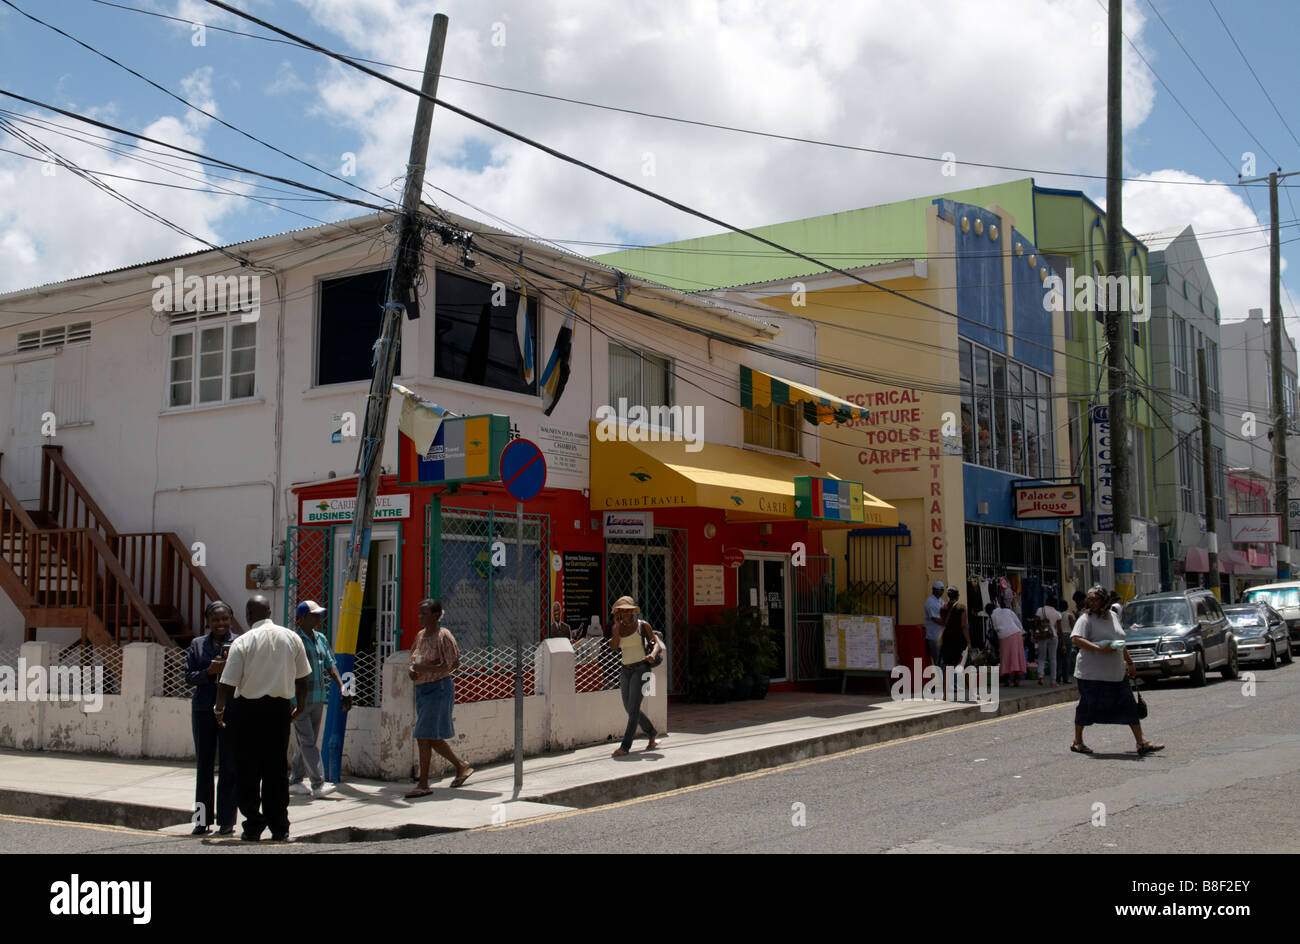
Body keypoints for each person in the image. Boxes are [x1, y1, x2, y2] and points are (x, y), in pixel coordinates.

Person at [214, 595, 311, 842]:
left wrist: (219, 709)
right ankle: (280, 826)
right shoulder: (291, 637)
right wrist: (299, 706)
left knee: (247, 769)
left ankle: (253, 823)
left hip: (247, 711)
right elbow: (303, 678)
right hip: (279, 710)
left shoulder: (243, 642)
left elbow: (227, 682)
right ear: (270, 612)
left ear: (248, 615)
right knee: (276, 770)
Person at [1070, 586, 1164, 755]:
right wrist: (1099, 649)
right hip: (1092, 674)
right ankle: (1078, 741)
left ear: (1105, 601)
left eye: (1095, 599)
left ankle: (1141, 741)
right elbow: (1076, 639)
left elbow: (1120, 641)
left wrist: (1130, 662)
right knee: (1087, 706)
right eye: (1089, 599)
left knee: (1128, 705)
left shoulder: (1113, 616)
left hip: (1115, 673)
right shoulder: (1086, 619)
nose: (1090, 602)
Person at [405, 599, 473, 797]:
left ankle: (424, 783)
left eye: (425, 613)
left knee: (423, 735)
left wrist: (424, 668)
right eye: (419, 613)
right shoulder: (420, 636)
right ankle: (461, 765)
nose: (421, 617)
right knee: (430, 736)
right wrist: (412, 670)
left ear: (436, 615)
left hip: (439, 689)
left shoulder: (443, 636)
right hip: (422, 689)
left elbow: (451, 665)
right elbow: (412, 659)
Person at [185, 600, 239, 835]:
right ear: (207, 621)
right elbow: (188, 676)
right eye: (215, 619)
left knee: (229, 765)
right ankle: (201, 820)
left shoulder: (239, 642)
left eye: (224, 619)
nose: (220, 623)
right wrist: (208, 672)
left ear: (230, 618)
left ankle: (227, 821)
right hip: (203, 710)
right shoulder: (197, 645)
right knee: (204, 766)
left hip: (230, 710)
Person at [288, 600, 348, 800]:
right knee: (308, 741)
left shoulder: (320, 638)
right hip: (299, 699)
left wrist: (341, 686)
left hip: (317, 697)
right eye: (314, 615)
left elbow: (330, 664)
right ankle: (318, 783)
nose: (318, 618)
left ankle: (295, 780)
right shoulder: (294, 640)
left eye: (319, 614)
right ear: (302, 617)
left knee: (306, 741)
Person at [608, 596, 664, 758]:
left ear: (633, 611)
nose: (625, 613)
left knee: (633, 710)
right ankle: (652, 733)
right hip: (625, 670)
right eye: (621, 611)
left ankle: (625, 746)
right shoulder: (616, 628)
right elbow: (613, 647)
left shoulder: (643, 625)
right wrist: (617, 628)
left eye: (627, 610)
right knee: (629, 708)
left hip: (642, 668)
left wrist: (652, 655)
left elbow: (657, 645)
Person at [938, 586, 971, 699]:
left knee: (948, 667)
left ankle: (945, 694)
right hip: (959, 640)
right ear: (957, 596)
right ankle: (973, 693)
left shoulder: (942, 608)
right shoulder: (962, 608)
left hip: (947, 639)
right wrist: (969, 642)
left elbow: (943, 623)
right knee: (965, 666)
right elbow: (963, 626)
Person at [987, 600, 1027, 686]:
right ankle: (1017, 679)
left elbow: (997, 629)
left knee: (1005, 658)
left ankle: (1006, 679)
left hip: (1004, 637)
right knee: (1016, 657)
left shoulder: (993, 616)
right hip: (1016, 634)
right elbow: (1017, 622)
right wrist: (1022, 632)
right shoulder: (1007, 610)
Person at [1033, 597, 1062, 688]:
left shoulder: (1040, 610)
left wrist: (1035, 634)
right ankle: (1053, 681)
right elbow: (1059, 629)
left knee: (1041, 657)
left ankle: (1041, 675)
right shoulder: (1057, 613)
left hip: (1042, 636)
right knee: (1053, 659)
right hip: (1053, 636)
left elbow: (1035, 623)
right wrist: (1063, 642)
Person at [923, 580, 946, 669]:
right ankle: (940, 681)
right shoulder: (930, 602)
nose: (941, 591)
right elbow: (935, 619)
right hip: (934, 636)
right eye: (939, 589)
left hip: (941, 635)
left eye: (942, 590)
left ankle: (945, 680)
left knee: (943, 660)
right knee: (938, 661)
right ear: (933, 590)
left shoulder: (941, 601)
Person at [1056, 597, 1074, 684]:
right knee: (1066, 658)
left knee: (1058, 658)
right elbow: (1073, 627)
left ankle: (1058, 676)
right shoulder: (1069, 615)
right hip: (1067, 636)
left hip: (1058, 637)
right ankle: (1066, 678)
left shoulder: (1056, 615)